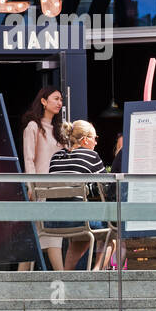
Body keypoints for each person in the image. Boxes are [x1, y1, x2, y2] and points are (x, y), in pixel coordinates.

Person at [46, 120, 109, 270]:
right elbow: (108, 189)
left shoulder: (56, 156)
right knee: (113, 228)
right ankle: (96, 272)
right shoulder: (91, 156)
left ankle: (67, 277)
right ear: (86, 139)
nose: (95, 142)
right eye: (95, 138)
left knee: (82, 235)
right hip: (77, 220)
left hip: (52, 221)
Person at [21, 87, 65, 269]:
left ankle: (20, 286)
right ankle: (62, 279)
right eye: (55, 99)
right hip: (40, 192)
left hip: (56, 193)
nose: (59, 103)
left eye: (61, 99)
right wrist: (31, 188)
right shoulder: (33, 127)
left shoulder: (59, 130)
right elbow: (29, 159)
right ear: (44, 101)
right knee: (43, 239)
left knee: (39, 241)